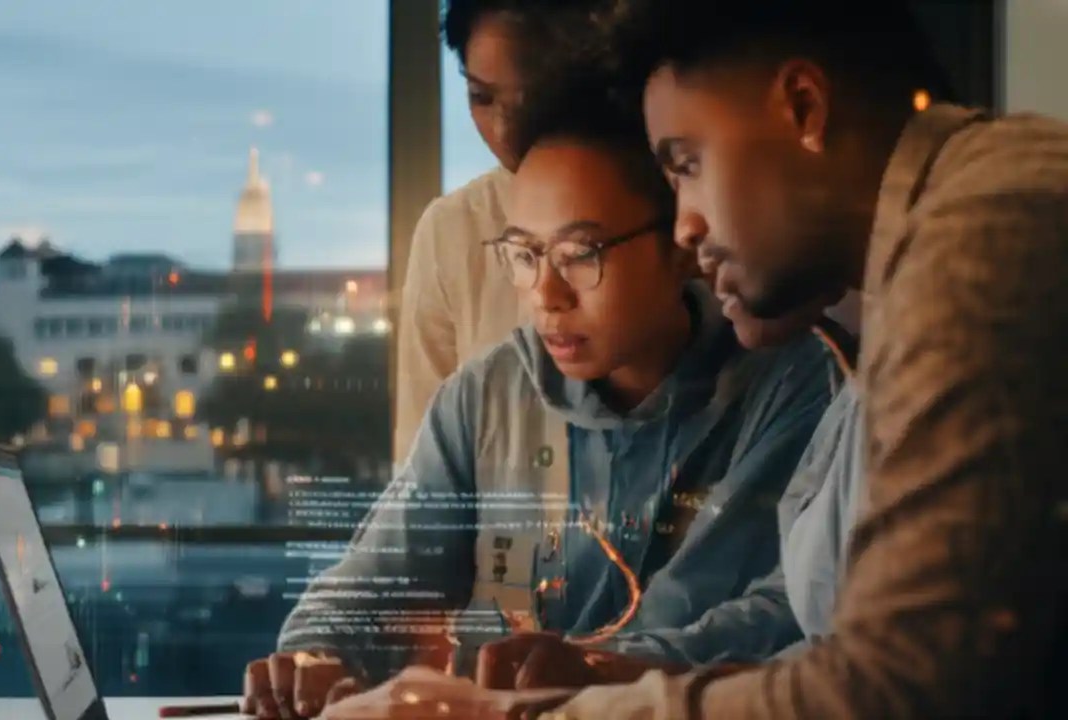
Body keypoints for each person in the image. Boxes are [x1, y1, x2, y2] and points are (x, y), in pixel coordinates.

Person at [242, 76, 844, 719]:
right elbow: (380, 576)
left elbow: (786, 611)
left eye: (581, 254)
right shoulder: (489, 394)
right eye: (525, 254)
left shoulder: (789, 383)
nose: (546, 295)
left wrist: (597, 670)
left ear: (681, 243)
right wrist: (316, 653)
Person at [528, 0, 1068, 717]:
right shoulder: (919, 259)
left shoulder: (984, 234)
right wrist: (619, 682)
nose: (685, 228)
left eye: (688, 165)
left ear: (804, 107)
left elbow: (900, 686)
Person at [396, 0, 602, 462]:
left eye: (534, 95)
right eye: (482, 97)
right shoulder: (454, 231)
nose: (506, 129)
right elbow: (418, 462)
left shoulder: (666, 208)